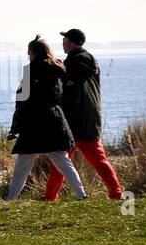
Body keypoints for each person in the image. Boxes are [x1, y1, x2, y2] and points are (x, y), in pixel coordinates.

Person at [43, 28, 123, 200]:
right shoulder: (91, 61)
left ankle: (50, 197)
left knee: (60, 161)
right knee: (98, 160)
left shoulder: (72, 64)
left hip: (73, 120)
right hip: (90, 118)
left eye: (64, 40)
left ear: (70, 42)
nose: (62, 43)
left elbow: (70, 93)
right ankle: (116, 193)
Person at [5, 35, 87, 201]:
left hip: (33, 125)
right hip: (55, 121)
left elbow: (21, 100)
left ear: (33, 52)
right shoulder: (59, 68)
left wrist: (15, 128)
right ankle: (81, 195)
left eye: (29, 53)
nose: (28, 56)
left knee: (23, 165)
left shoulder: (31, 70)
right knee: (64, 162)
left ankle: (11, 199)